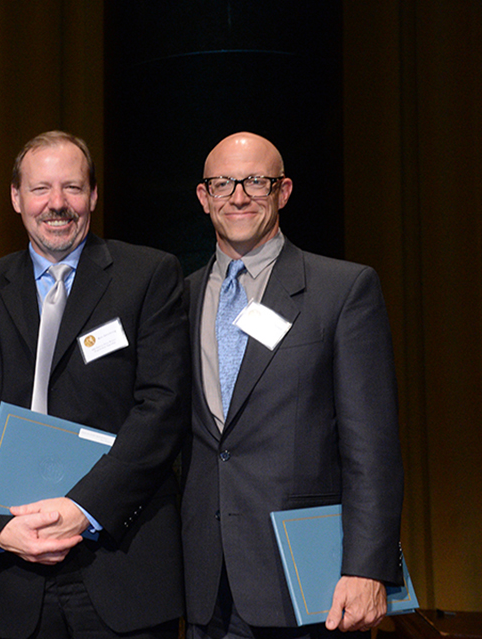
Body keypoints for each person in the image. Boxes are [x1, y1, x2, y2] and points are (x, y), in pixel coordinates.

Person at [0, 131, 190, 639]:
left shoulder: (148, 276)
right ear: (16, 198)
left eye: (72, 188)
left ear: (94, 196)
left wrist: (83, 508)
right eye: (40, 189)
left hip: (121, 562)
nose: (56, 204)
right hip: (11, 572)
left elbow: (161, 409)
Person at [182, 132, 405, 639]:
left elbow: (372, 446)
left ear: (282, 191)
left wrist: (367, 567)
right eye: (223, 184)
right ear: (203, 197)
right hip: (205, 587)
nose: (238, 196)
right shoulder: (181, 296)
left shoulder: (342, 290)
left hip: (309, 584)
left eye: (255, 182)